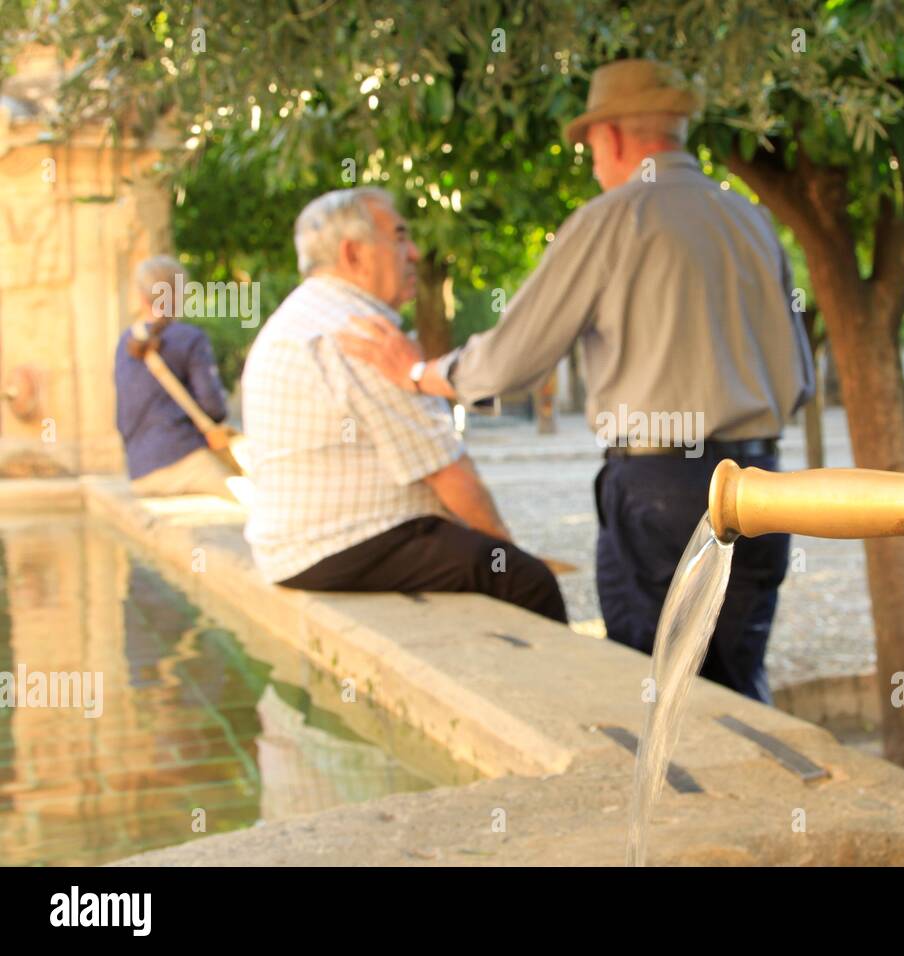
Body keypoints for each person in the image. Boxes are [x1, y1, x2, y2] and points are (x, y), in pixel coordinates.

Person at [337, 60, 813, 702]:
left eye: (590, 146)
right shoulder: (751, 220)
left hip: (662, 493)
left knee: (662, 700)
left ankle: (679, 808)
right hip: (762, 485)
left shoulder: (612, 219)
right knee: (739, 690)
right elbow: (800, 378)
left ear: (612, 138)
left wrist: (416, 372)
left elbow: (510, 363)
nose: (592, 161)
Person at [240, 188, 566, 624]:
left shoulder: (305, 315)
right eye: (398, 237)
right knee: (524, 579)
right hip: (338, 545)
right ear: (353, 253)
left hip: (299, 547)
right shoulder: (359, 333)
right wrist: (507, 549)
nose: (413, 253)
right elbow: (447, 472)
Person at [114, 256, 239, 502]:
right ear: (180, 294)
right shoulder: (189, 338)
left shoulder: (124, 342)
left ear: (141, 297)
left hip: (139, 470)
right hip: (184, 461)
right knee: (257, 500)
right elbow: (214, 408)